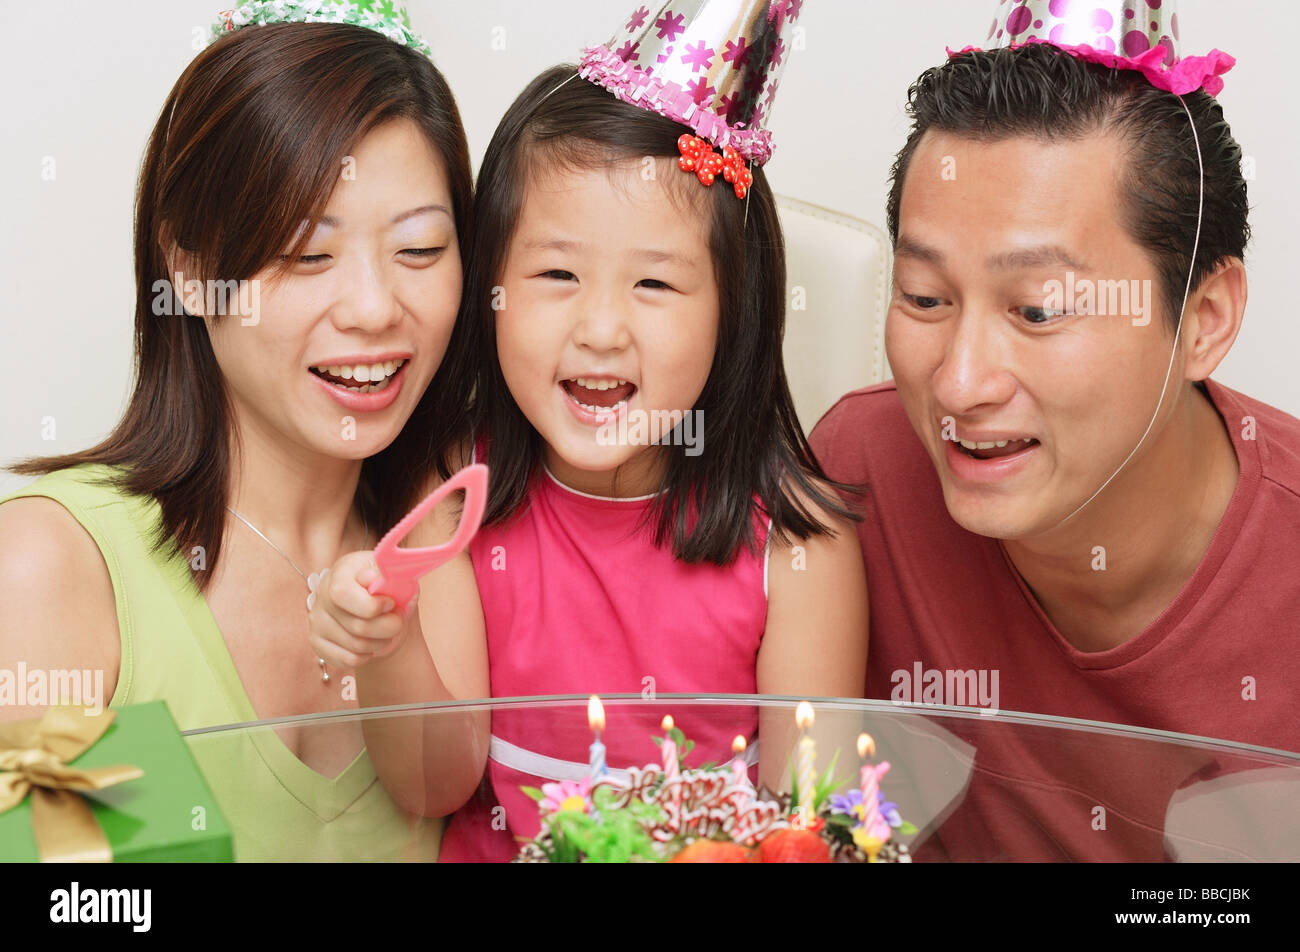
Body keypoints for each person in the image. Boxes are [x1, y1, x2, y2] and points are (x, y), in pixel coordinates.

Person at [310, 0, 868, 861]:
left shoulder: (801, 545)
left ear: (736, 306)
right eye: (557, 273)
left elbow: (815, 831)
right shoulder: (458, 492)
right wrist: (387, 647)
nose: (601, 329)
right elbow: (435, 785)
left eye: (655, 285)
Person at [809, 2, 1300, 858]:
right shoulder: (859, 473)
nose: (958, 385)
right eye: (925, 298)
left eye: (1037, 309)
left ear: (1204, 320)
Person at [0, 4, 475, 860]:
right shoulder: (56, 566)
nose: (375, 309)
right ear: (186, 269)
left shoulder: (431, 532)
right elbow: (88, 898)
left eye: (420, 250)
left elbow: (444, 788)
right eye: (306, 255)